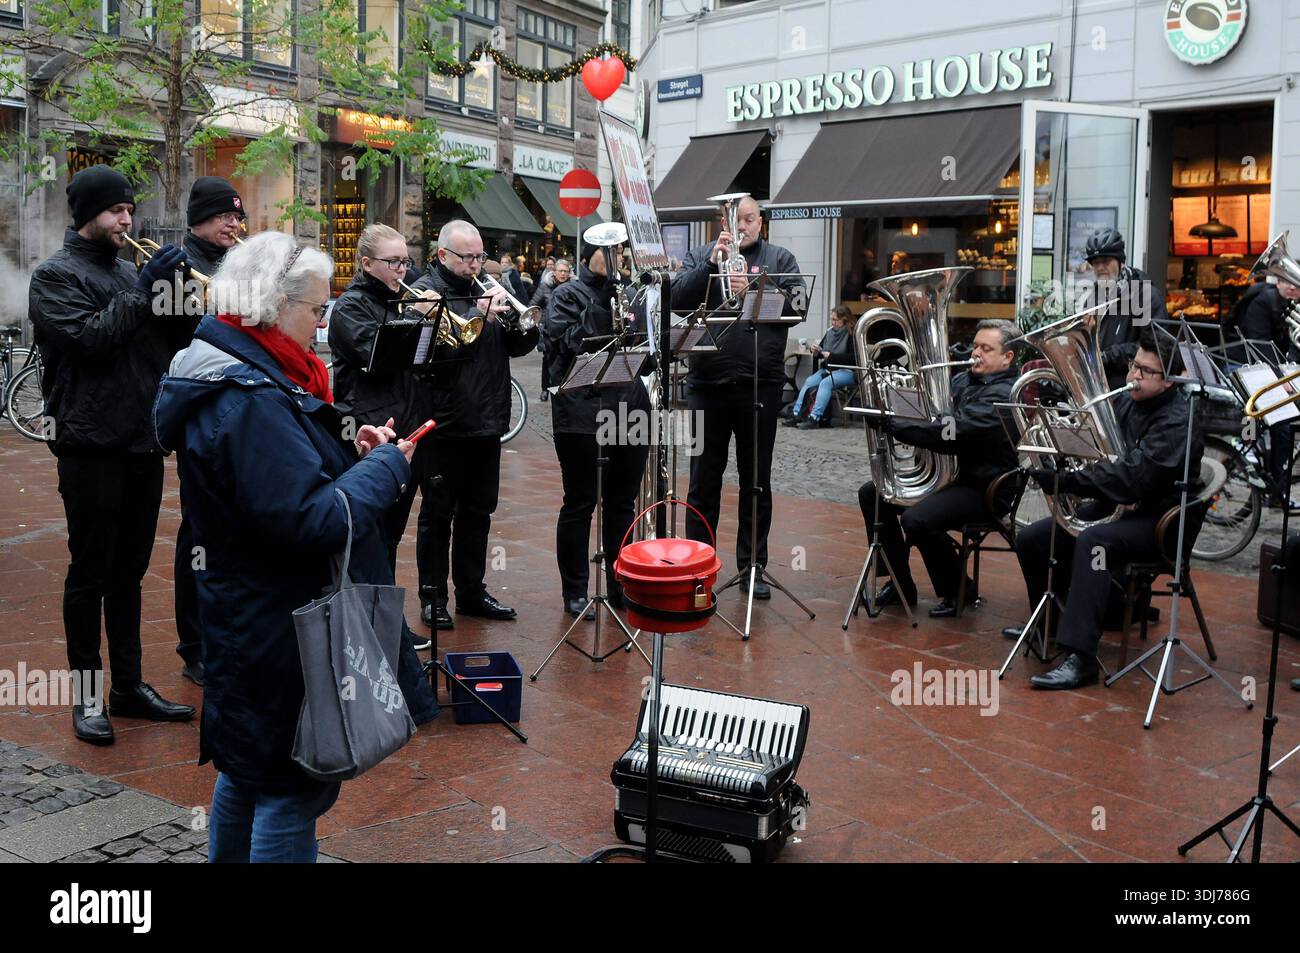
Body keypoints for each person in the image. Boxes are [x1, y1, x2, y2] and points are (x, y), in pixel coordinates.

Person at [153, 232, 438, 862]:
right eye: (314, 309)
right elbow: (309, 520)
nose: (322, 323)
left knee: (250, 771)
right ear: (272, 307)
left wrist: (346, 453)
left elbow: (280, 485)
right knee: (291, 789)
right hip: (280, 623)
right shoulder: (249, 398)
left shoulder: (237, 371)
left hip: (249, 612)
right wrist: (386, 468)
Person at [28, 165, 196, 746]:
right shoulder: (53, 276)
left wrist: (179, 298)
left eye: (129, 210)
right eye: (114, 211)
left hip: (140, 441)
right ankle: (85, 697)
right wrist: (146, 292)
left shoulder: (129, 270)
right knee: (90, 572)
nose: (127, 220)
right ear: (86, 215)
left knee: (129, 573)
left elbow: (169, 347)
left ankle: (127, 685)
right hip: (89, 443)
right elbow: (90, 341)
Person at [1009, 328, 1202, 690]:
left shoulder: (1177, 421)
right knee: (1034, 538)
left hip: (1158, 522)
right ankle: (1049, 622)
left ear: (1171, 380)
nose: (1133, 376)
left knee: (1094, 544)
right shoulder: (1130, 400)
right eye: (1133, 365)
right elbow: (1100, 448)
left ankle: (1081, 657)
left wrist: (1069, 482)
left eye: (1146, 371)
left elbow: (1134, 478)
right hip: (1121, 507)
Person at [671, 195, 805, 598]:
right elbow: (677, 300)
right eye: (735, 219)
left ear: (760, 222)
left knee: (756, 482)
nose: (742, 225)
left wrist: (753, 291)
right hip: (707, 385)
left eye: (748, 218)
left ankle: (752, 567)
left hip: (759, 385)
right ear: (722, 221)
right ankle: (699, 568)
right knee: (702, 483)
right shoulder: (701, 255)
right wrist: (713, 264)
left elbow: (798, 306)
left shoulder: (781, 259)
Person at [407, 220, 539, 629]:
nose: (476, 264)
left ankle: (470, 590)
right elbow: (428, 356)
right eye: (467, 257)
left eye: (480, 255)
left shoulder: (488, 288)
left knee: (479, 511)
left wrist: (519, 323)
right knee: (438, 513)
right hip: (445, 421)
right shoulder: (426, 292)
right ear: (443, 255)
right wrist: (474, 314)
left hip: (488, 419)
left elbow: (517, 347)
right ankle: (432, 596)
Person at [327, 224, 442, 650]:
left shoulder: (401, 300)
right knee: (371, 532)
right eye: (393, 262)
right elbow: (376, 359)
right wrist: (418, 317)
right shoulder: (351, 307)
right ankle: (371, 624)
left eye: (406, 261)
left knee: (391, 533)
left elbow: (428, 360)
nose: (402, 270)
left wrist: (435, 319)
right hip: (369, 430)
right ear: (367, 263)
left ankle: (384, 620)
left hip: (407, 426)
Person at [856, 321, 1020, 618]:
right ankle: (901, 584)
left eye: (986, 349)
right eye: (975, 346)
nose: (976, 353)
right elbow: (930, 413)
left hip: (985, 488)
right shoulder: (962, 381)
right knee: (873, 493)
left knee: (916, 520)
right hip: (953, 479)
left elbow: (951, 432)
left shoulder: (1007, 395)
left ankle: (958, 587)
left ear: (1007, 357)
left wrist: (897, 426)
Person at [542, 234, 650, 618]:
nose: (618, 256)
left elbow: (643, 349)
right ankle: (575, 590)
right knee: (580, 501)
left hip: (629, 406)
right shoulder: (566, 294)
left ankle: (620, 582)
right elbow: (566, 343)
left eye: (621, 250)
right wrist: (604, 302)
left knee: (622, 502)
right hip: (580, 411)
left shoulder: (631, 293)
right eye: (611, 250)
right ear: (590, 256)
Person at [174, 176, 247, 687]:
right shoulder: (179, 267)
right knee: (198, 530)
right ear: (198, 218)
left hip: (242, 406)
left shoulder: (238, 262)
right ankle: (194, 642)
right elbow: (179, 336)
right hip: (202, 406)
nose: (233, 224)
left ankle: (228, 631)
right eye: (224, 215)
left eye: (237, 216)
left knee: (237, 523)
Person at [1231, 277, 1299, 509]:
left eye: (1298, 285)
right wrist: (1281, 379)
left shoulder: (1292, 307)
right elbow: (1257, 344)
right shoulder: (1261, 302)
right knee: (1268, 417)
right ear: (1277, 281)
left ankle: (1277, 488)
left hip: (1274, 370)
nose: (1293, 288)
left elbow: (1291, 347)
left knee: (1284, 428)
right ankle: (1244, 448)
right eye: (1288, 282)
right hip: (1243, 365)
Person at [1081, 227, 1170, 388]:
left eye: (1106, 261)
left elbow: (1156, 345)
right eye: (1095, 263)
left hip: (1131, 387)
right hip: (1098, 385)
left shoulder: (1146, 295)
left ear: (1121, 262)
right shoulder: (1093, 298)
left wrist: (1108, 356)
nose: (1100, 267)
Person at [783, 305, 856, 429]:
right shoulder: (830, 332)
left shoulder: (851, 335)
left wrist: (832, 356)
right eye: (831, 319)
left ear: (844, 320)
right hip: (828, 369)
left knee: (825, 383)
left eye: (835, 320)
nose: (832, 323)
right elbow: (821, 351)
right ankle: (796, 414)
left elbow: (853, 359)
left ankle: (814, 417)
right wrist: (815, 351)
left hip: (846, 371)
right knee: (809, 381)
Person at [532, 258, 572, 403]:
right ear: (554, 272)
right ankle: (545, 389)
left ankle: (562, 389)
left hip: (568, 331)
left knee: (566, 360)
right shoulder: (544, 286)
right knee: (548, 360)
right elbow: (533, 306)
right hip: (548, 331)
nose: (563, 274)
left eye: (566, 271)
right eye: (560, 271)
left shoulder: (574, 287)